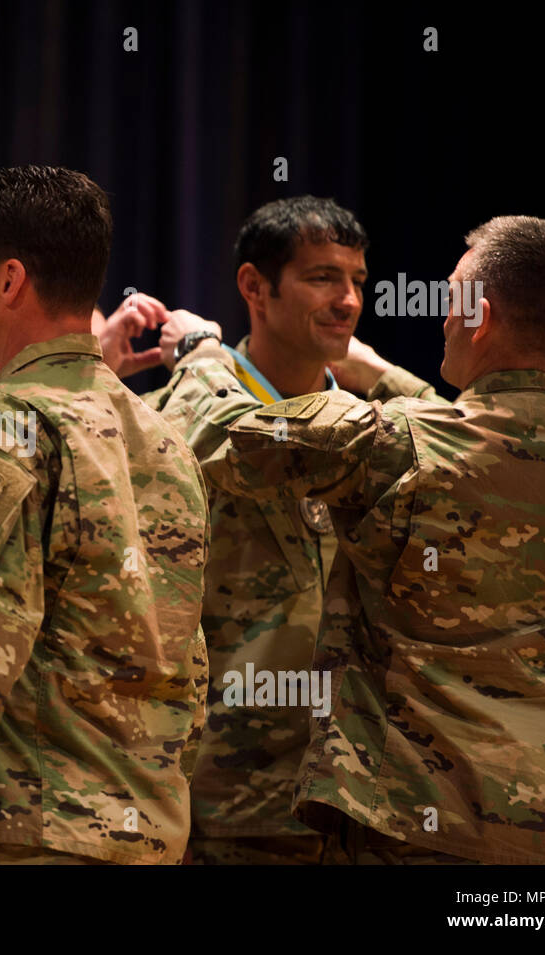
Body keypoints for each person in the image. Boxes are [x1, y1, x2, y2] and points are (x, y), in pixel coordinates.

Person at [175, 215, 545, 864]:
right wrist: (383, 372)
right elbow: (473, 439)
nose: (441, 318)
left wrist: (200, 355)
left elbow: (233, 437)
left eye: (451, 299)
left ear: (479, 317)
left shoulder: (394, 444)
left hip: (415, 822)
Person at [0, 165, 209, 865]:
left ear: (10, 280)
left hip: (24, 835)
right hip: (147, 835)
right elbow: (191, 666)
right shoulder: (166, 437)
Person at [99, 197, 435, 863]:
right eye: (322, 277)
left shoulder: (377, 426)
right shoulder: (168, 420)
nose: (348, 300)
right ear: (254, 286)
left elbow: (474, 463)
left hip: (362, 799)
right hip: (224, 801)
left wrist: (376, 372)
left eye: (357, 280)